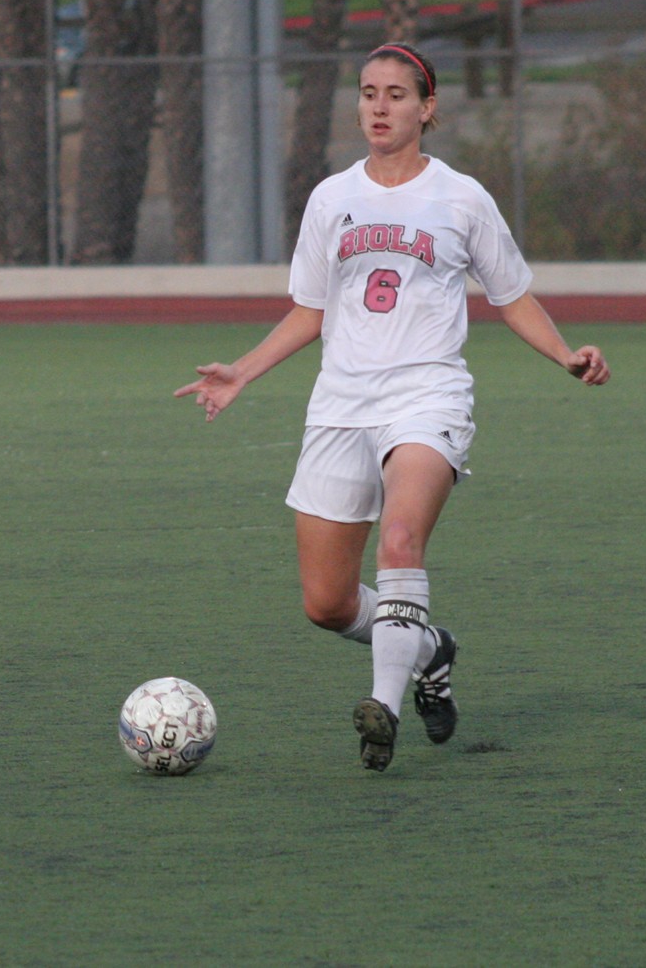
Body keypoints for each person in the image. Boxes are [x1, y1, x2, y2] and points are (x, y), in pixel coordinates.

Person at [175, 43, 608, 772]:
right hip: (340, 405)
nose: (379, 106)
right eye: (369, 93)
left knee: (401, 540)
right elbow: (309, 310)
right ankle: (430, 650)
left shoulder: (461, 197)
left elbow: (512, 296)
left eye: (397, 95)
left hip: (427, 396)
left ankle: (382, 707)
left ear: (426, 107)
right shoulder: (330, 197)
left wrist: (564, 354)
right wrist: (242, 372)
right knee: (327, 602)